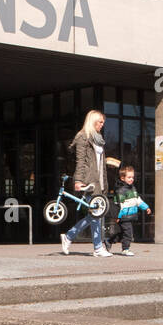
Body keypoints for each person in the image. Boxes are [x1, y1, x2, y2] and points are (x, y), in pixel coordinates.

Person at [60, 110, 111, 257]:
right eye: (100, 122)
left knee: (96, 214)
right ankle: (97, 247)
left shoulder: (98, 138)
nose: (102, 125)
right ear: (92, 121)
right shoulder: (83, 137)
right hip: (90, 180)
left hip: (100, 181)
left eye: (103, 123)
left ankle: (69, 236)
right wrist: (78, 180)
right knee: (96, 214)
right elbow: (80, 161)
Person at [107, 165, 151, 255]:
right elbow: (119, 205)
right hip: (123, 215)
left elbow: (137, 200)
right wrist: (118, 216)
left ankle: (109, 240)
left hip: (130, 215)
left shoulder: (132, 188)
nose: (131, 179)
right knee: (128, 233)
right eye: (129, 177)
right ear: (123, 178)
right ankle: (125, 249)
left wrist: (146, 207)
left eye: (132, 177)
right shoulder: (121, 190)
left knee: (124, 233)